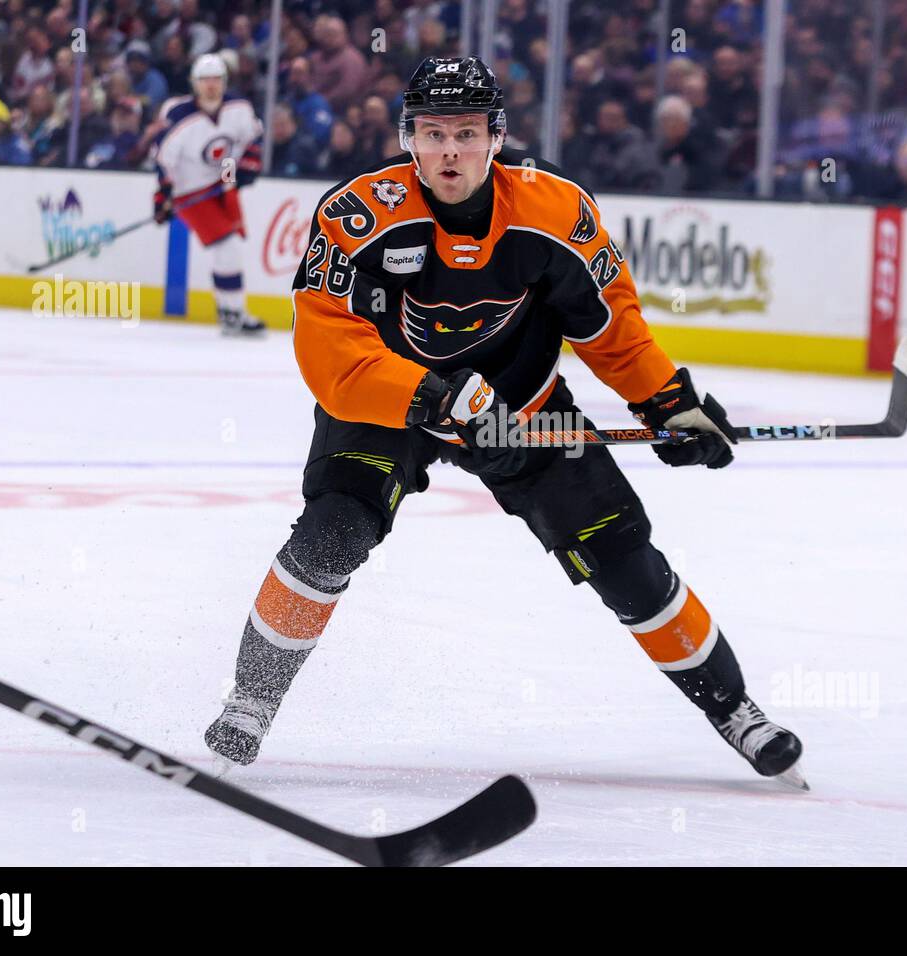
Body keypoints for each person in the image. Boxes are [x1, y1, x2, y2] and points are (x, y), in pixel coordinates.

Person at [203, 56, 807, 790]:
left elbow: (611, 327)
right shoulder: (359, 212)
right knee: (334, 530)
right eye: (431, 134)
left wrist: (666, 401)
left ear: (496, 138)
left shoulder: (554, 210)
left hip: (520, 405)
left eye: (464, 133)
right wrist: (431, 395)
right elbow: (329, 346)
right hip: (388, 402)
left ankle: (735, 710)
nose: (448, 151)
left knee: (622, 558)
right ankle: (252, 699)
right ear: (408, 139)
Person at [151, 53, 265, 336]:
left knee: (230, 248)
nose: (211, 85)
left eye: (216, 79)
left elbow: (253, 138)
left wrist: (250, 163)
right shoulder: (180, 117)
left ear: (224, 81)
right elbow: (165, 159)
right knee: (228, 247)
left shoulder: (239, 108)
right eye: (205, 80)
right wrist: (163, 197)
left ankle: (229, 312)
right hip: (191, 192)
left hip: (224, 185)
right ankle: (233, 313)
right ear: (195, 83)